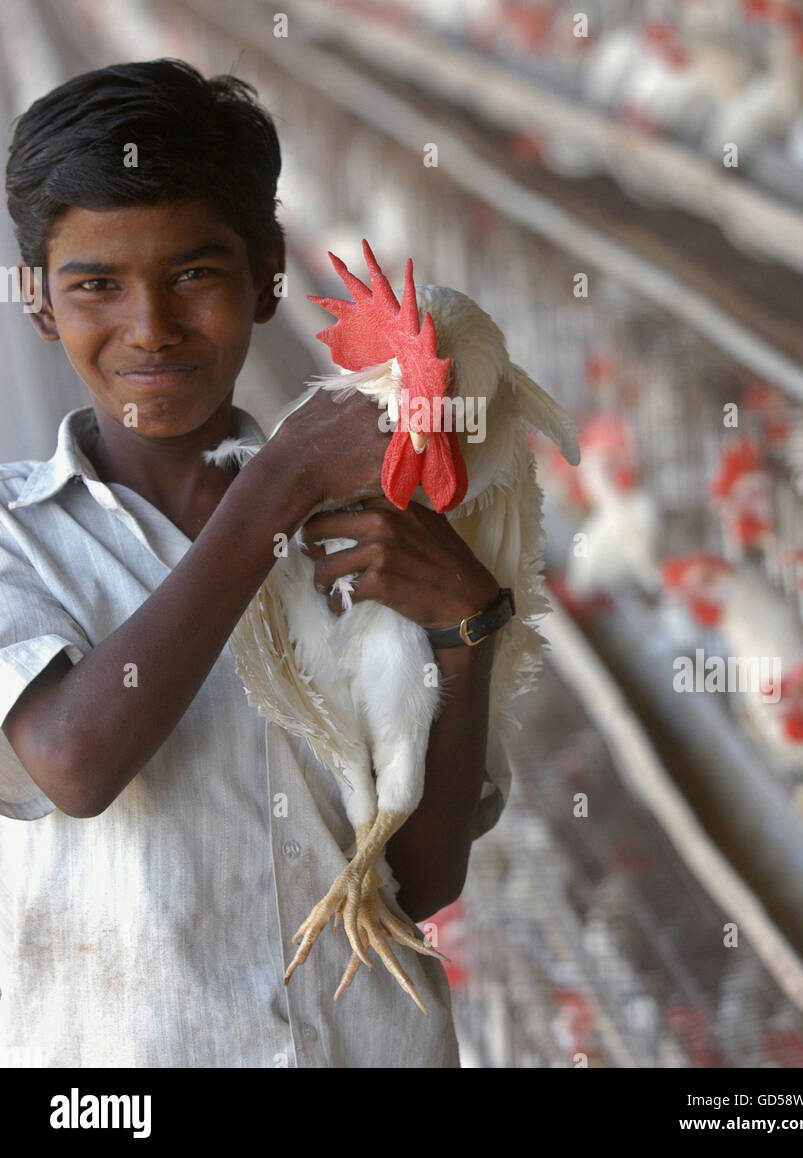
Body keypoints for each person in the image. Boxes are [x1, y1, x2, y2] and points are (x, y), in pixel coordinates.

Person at [0, 58, 509, 1068]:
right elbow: (71, 761)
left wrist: (465, 638)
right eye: (96, 284)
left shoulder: (375, 534)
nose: (150, 326)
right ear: (38, 300)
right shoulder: (19, 536)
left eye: (194, 273)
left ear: (269, 274)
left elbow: (418, 877)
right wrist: (275, 487)